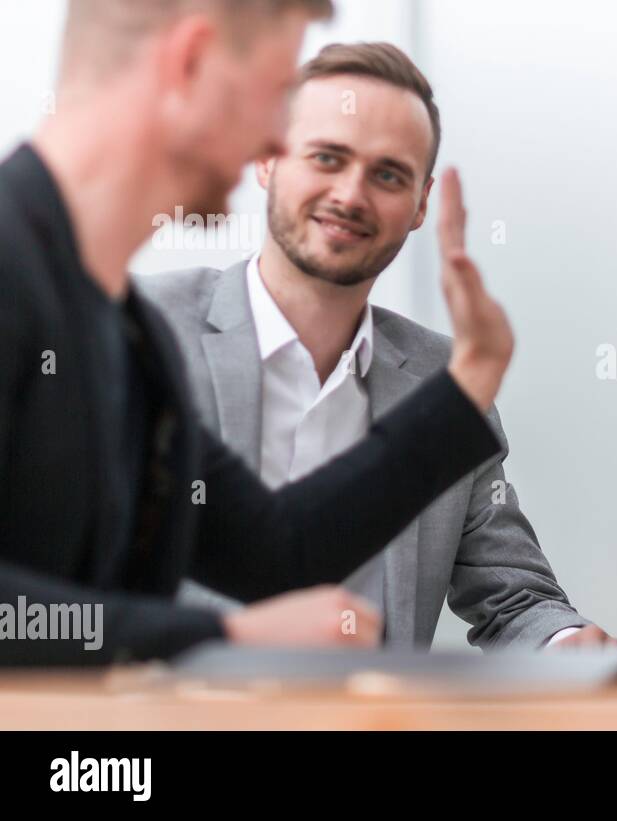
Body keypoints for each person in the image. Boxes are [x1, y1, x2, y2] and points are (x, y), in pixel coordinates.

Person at [0, 0, 513, 665]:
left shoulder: (132, 338)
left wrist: (470, 377)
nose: (276, 140)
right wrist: (224, 640)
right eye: (276, 95)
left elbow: (280, 550)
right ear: (189, 63)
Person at [137, 42, 617, 651]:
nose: (350, 195)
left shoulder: (445, 380)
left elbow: (514, 599)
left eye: (388, 174)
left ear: (421, 204)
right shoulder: (145, 330)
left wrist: (567, 646)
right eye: (327, 157)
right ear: (267, 158)